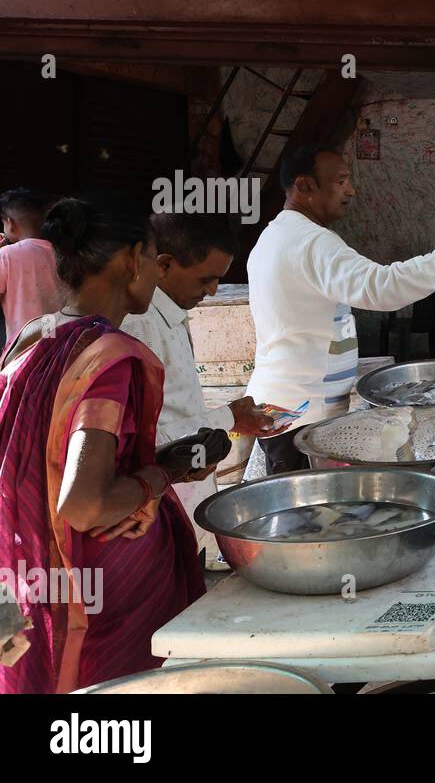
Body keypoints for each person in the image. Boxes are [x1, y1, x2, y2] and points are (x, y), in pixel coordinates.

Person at [0, 197, 225, 693]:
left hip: (34, 577)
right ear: (131, 260)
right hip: (104, 597)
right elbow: (86, 503)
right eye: (150, 257)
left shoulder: (31, 339)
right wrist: (160, 475)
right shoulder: (110, 358)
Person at [246, 144, 435, 474]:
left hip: (286, 403)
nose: (351, 190)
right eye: (340, 181)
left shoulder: (275, 235)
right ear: (305, 186)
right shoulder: (311, 242)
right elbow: (381, 287)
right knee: (303, 514)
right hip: (300, 412)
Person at [120, 212, 277, 569]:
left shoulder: (168, 313)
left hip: (186, 494)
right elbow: (143, 435)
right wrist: (227, 417)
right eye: (206, 279)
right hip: (156, 503)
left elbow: (174, 408)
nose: (212, 292)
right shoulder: (138, 327)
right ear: (163, 265)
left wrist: (231, 418)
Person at [0, 188, 65, 338]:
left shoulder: (6, 255)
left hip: (22, 343)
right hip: (57, 340)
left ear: (10, 223)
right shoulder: (61, 253)